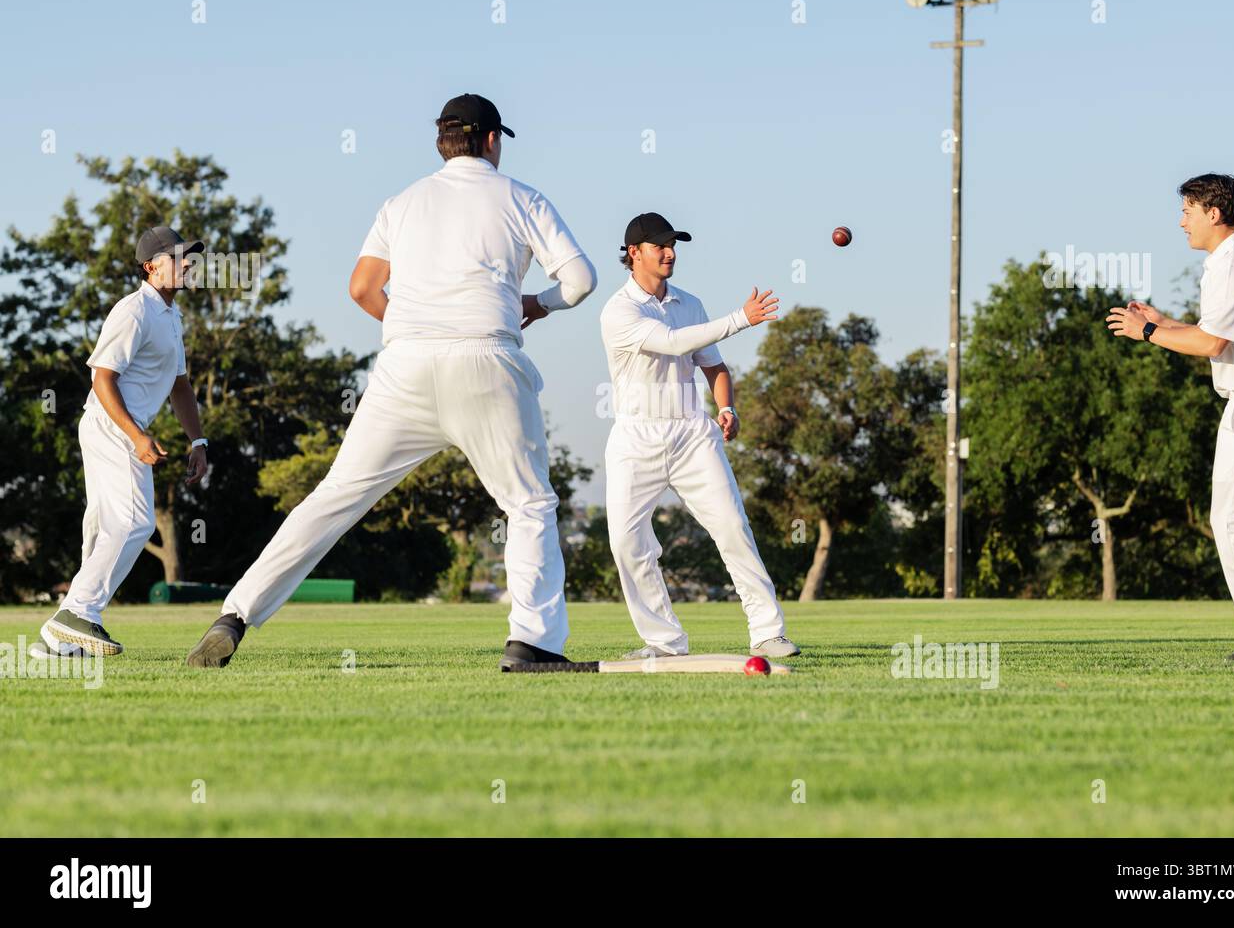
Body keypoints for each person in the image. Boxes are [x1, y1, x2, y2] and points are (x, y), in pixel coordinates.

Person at [186, 93, 596, 670]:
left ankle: (234, 615)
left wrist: (415, 324)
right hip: (487, 360)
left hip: (403, 367)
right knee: (528, 505)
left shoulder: (401, 202)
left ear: (443, 142)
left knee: (335, 497)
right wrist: (541, 304)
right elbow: (580, 280)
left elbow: (361, 288)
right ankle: (530, 643)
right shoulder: (521, 197)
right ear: (491, 140)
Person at [1107, 173, 1234, 662]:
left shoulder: (1233, 264)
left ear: (1214, 213)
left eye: (1188, 211)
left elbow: (1213, 344)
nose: (1181, 221)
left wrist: (1147, 332)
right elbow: (1219, 332)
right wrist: (1164, 322)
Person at [598, 212, 798, 659]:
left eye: (674, 245)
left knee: (732, 527)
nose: (670, 252)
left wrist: (725, 406)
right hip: (636, 435)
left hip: (692, 432)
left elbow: (714, 366)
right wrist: (740, 319)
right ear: (634, 253)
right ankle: (664, 641)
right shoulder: (619, 310)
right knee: (627, 543)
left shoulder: (690, 302)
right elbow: (672, 342)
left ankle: (768, 632)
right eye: (660, 246)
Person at [37, 226, 209, 657]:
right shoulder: (133, 311)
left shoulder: (171, 316)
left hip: (116, 428)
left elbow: (181, 387)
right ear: (152, 267)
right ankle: (76, 613)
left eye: (188, 256)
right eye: (178, 257)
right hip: (112, 425)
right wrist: (137, 435)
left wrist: (198, 441)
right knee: (135, 522)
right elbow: (102, 377)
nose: (187, 263)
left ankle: (59, 639)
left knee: (100, 530)